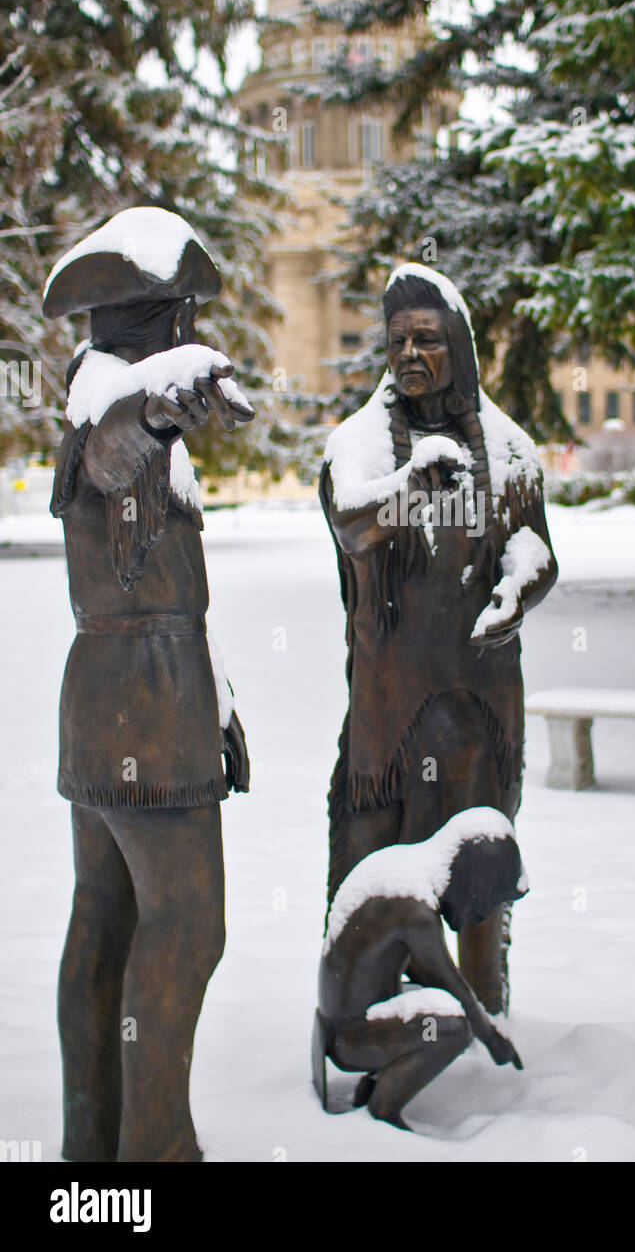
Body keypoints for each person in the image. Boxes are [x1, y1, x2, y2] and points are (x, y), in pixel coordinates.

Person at [43, 206, 254, 1161]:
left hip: (134, 692)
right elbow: (122, 437)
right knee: (187, 925)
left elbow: (177, 594)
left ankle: (97, 1143)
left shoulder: (108, 412)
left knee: (110, 914)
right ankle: (156, 1150)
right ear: (150, 331)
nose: (187, 333)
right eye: (177, 319)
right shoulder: (104, 415)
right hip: (141, 700)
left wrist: (220, 697)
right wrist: (167, 397)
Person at [320, 263, 557, 1014]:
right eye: (396, 340)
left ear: (458, 346)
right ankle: (367, 1015)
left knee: (479, 875)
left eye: (426, 338)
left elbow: (537, 548)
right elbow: (352, 524)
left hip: (479, 708)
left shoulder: (509, 449)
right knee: (371, 865)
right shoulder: (360, 443)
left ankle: (483, 1007)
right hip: (386, 718)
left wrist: (518, 589)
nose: (408, 354)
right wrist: (412, 487)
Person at [314, 808, 527, 1130]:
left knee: (434, 1005)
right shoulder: (413, 910)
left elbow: (431, 976)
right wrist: (492, 1038)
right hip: (351, 1038)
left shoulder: (398, 866)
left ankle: (373, 1086)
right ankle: (382, 1113)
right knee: (452, 1027)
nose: (478, 917)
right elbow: (450, 983)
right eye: (484, 903)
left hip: (339, 1024)